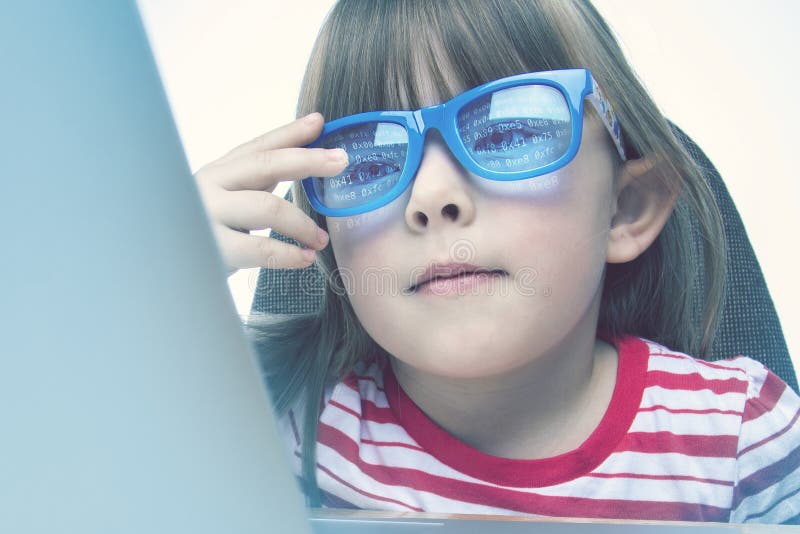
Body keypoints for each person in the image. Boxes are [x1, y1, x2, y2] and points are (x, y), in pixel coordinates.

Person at [193, 0, 800, 524]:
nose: (431, 199)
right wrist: (156, 280)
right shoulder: (285, 427)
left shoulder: (745, 441)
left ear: (626, 209)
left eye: (508, 133)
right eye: (369, 162)